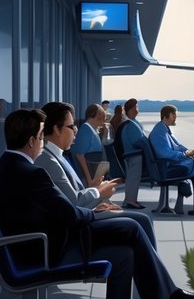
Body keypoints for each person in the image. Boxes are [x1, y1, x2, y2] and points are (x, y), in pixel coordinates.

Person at [0, 108, 194, 299]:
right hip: (50, 248)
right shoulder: (32, 173)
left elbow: (54, 211)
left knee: (124, 252)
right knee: (132, 227)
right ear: (31, 141)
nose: (42, 142)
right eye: (41, 137)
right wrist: (94, 211)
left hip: (36, 245)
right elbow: (70, 214)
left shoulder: (2, 170)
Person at [33, 102, 158, 249]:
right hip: (77, 229)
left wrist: (95, 192)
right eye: (71, 126)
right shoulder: (49, 161)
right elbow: (73, 204)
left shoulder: (57, 156)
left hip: (84, 213)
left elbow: (69, 197)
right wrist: (98, 192)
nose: (76, 130)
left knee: (142, 221)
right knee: (140, 222)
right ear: (57, 130)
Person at [148, 105, 194, 215]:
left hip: (174, 162)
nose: (175, 118)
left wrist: (189, 152)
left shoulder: (164, 130)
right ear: (165, 117)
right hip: (168, 167)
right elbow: (164, 153)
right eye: (173, 116)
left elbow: (177, 146)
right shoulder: (159, 132)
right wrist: (184, 154)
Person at [117, 99, 147, 209]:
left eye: (137, 108)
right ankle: (131, 200)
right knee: (133, 178)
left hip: (131, 155)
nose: (137, 110)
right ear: (129, 110)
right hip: (133, 155)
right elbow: (138, 141)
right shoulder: (130, 124)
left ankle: (129, 200)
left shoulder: (131, 123)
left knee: (132, 178)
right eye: (135, 108)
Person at [71, 104, 106, 185]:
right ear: (98, 114)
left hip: (95, 176)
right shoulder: (86, 129)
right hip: (88, 179)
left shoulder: (92, 129)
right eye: (102, 112)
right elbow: (79, 155)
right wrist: (89, 180)